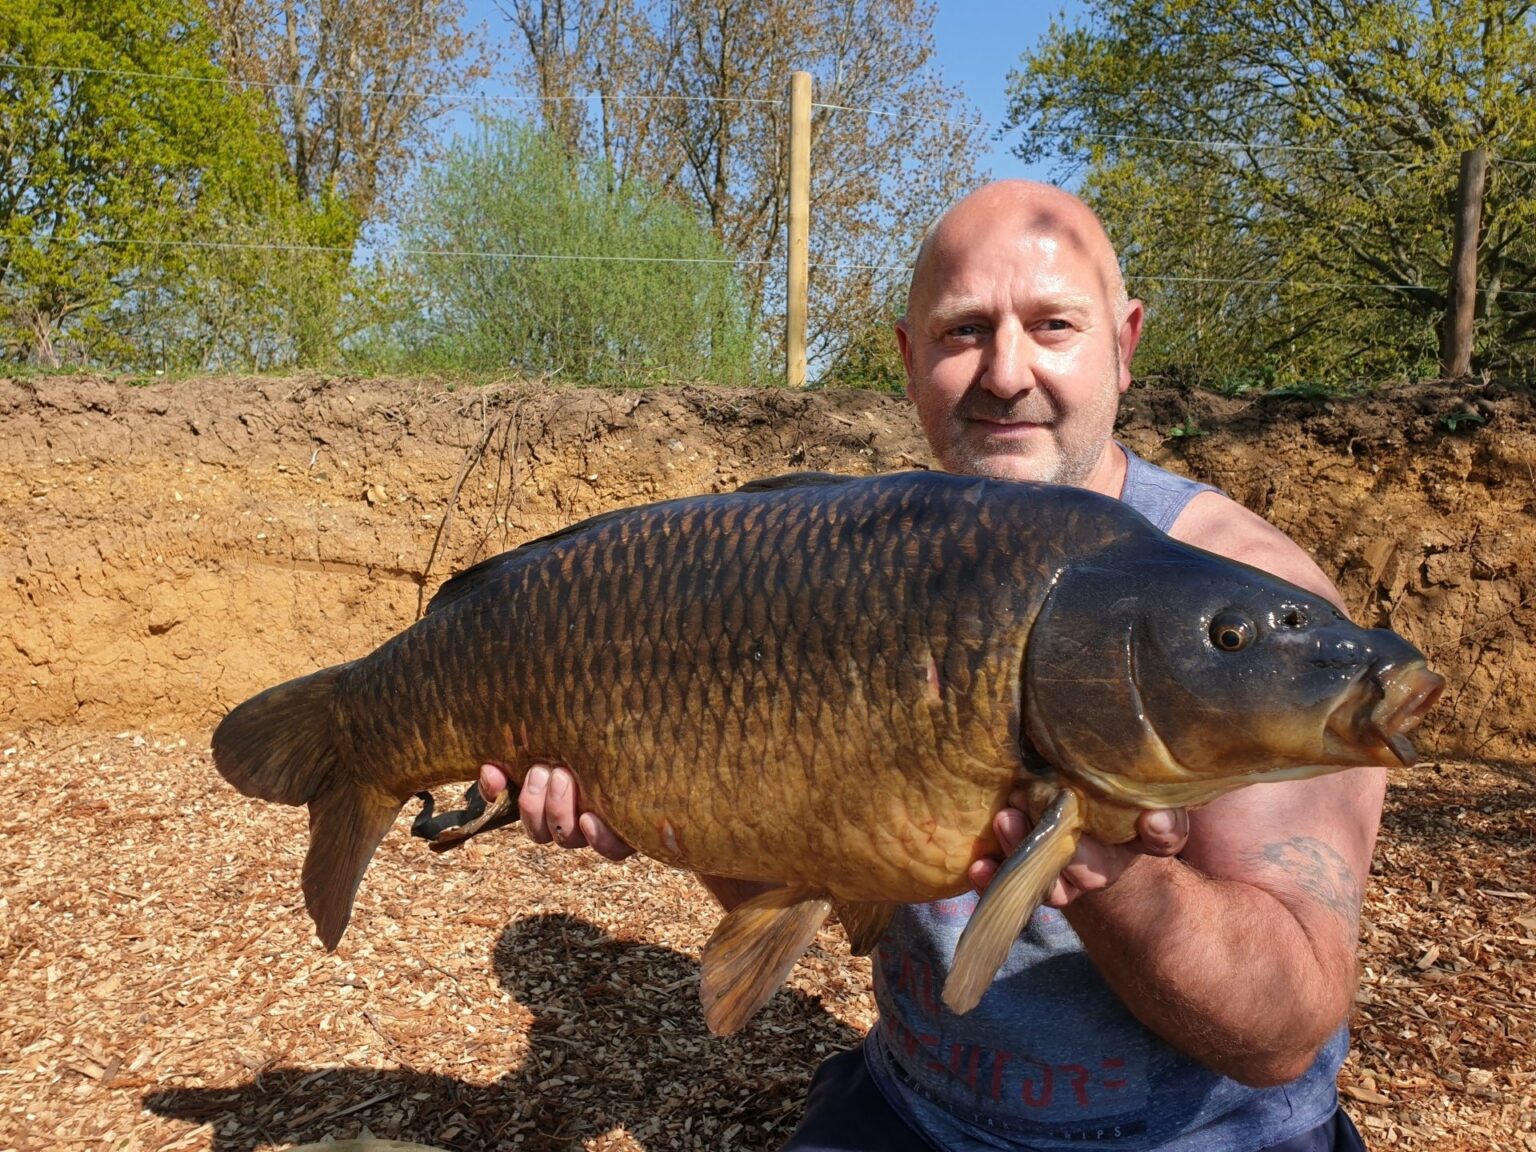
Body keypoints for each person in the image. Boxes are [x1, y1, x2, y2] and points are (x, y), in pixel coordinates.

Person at [478, 181, 1377, 1151]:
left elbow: (1283, 1030)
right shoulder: (858, 556)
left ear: (1125, 343)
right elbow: (810, 879)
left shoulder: (1243, 606)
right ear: (909, 361)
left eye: (1053, 326)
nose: (1005, 372)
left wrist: (1108, 865)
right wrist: (665, 810)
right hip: (918, 1108)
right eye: (962, 333)